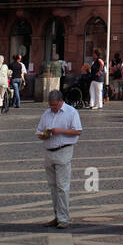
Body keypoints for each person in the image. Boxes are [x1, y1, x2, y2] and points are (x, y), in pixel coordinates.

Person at [36, 89, 83, 227]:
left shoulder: (71, 112)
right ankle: (57, 215)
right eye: (50, 105)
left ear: (61, 102)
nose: (52, 108)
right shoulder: (47, 114)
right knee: (53, 186)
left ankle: (64, 218)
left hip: (64, 150)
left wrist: (59, 131)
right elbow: (39, 131)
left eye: (55, 105)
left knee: (62, 186)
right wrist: (44, 135)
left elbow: (78, 131)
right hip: (49, 150)